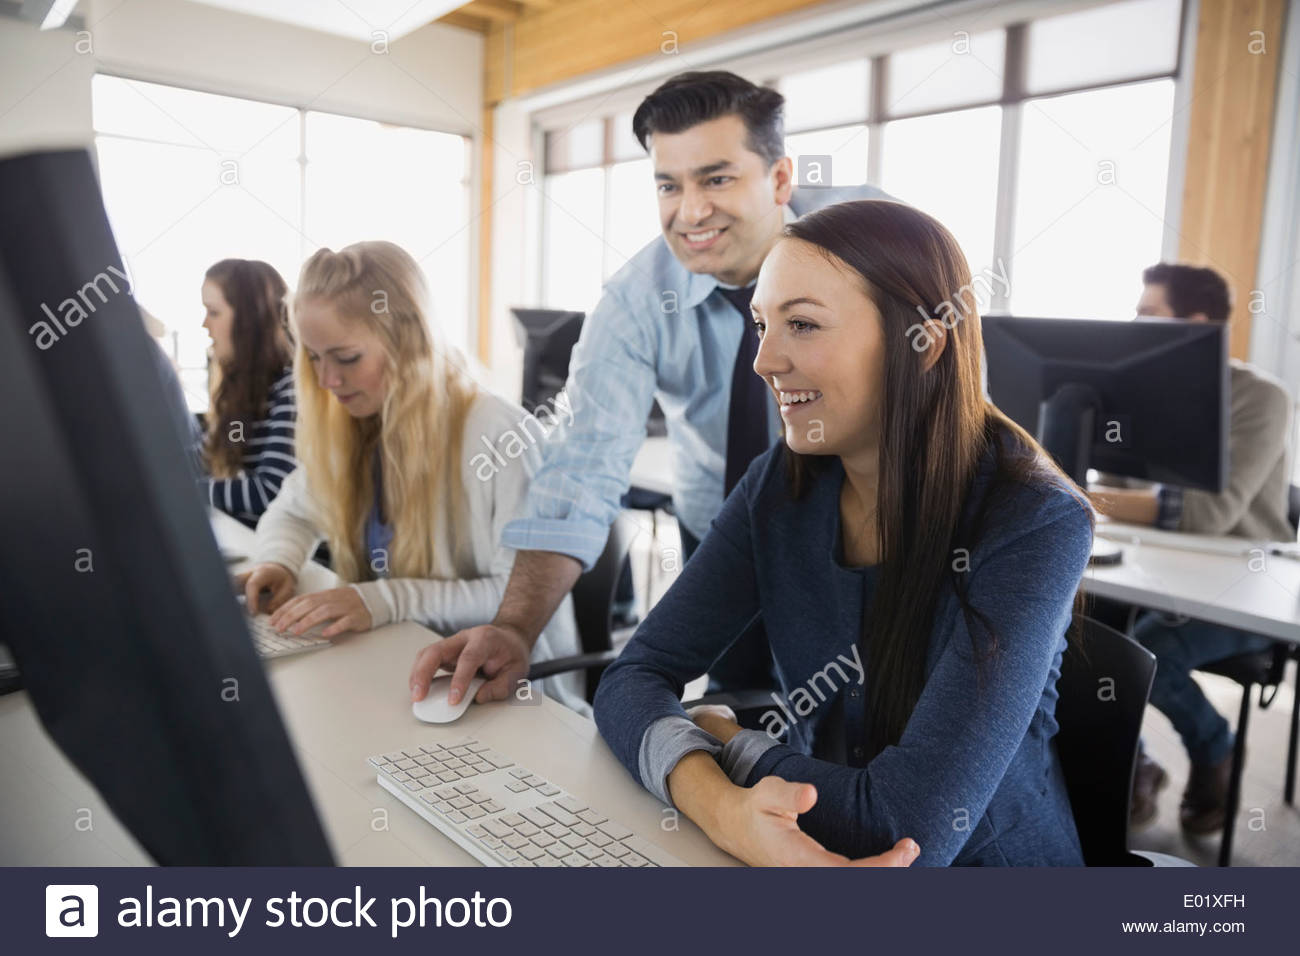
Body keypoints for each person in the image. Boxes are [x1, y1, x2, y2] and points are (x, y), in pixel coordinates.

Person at [594, 199, 1094, 866]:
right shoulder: (781, 484)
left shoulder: (1035, 520)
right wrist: (720, 808)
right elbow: (633, 676)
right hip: (796, 849)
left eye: (802, 324)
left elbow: (905, 830)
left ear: (924, 345)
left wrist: (732, 746)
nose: (764, 361)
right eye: (763, 325)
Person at [409, 70, 888, 712]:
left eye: (716, 179)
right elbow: (582, 466)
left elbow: (943, 402)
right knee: (736, 709)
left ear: (780, 180)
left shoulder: (872, 245)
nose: (690, 212)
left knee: (866, 715)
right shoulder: (638, 299)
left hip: (866, 537)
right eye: (669, 185)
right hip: (723, 534)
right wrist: (516, 629)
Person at [238, 241, 583, 711]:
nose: (327, 380)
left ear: (408, 341)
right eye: (314, 357)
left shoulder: (498, 435)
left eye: (347, 357)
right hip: (405, 671)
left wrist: (385, 600)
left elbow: (515, 596)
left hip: (506, 695)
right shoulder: (356, 420)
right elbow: (294, 512)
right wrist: (278, 561)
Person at [1091, 262, 1294, 834]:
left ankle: (1215, 748)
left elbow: (1209, 513)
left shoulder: (1260, 398)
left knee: (1151, 652)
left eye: (1148, 313)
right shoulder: (1142, 393)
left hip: (1248, 583)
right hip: (1153, 570)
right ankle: (1134, 762)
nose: (1134, 325)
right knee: (1078, 630)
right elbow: (1119, 486)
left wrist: (1089, 496)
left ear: (1196, 325)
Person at [199, 258, 297, 526]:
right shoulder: (245, 388)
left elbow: (271, 492)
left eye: (213, 312)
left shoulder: (291, 388)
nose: (205, 324)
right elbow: (204, 456)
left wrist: (181, 491)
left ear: (249, 321)